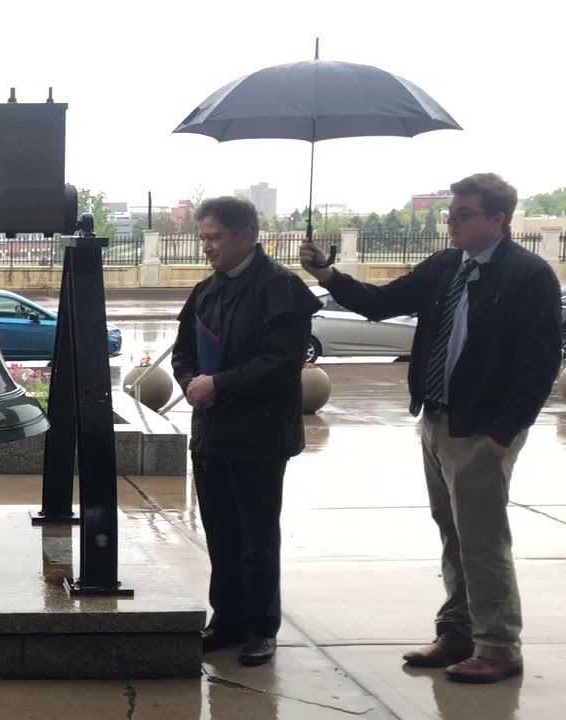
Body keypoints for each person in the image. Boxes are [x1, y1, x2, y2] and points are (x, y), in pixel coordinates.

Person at [300, 173, 561, 683]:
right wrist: (328, 274)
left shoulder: (529, 276)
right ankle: (459, 633)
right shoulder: (447, 266)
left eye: (463, 214)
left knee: (482, 541)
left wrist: (503, 434)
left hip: (483, 428)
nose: (451, 221)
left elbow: (540, 363)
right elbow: (380, 303)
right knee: (452, 534)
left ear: (498, 221)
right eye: (451, 213)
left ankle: (499, 646)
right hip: (438, 418)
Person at [171, 196, 321, 667]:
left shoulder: (281, 289)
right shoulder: (206, 290)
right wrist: (193, 384)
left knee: (257, 536)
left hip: (258, 434)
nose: (207, 248)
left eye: (214, 238)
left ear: (245, 236)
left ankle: (261, 626)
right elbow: (182, 354)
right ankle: (228, 618)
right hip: (211, 432)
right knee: (220, 531)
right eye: (203, 239)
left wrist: (220, 384)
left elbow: (280, 363)